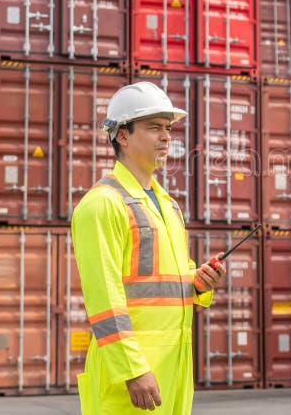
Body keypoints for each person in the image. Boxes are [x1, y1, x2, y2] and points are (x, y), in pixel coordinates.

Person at [72, 81, 226, 414]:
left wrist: (198, 282)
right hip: (133, 377)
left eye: (168, 128)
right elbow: (104, 298)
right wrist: (132, 369)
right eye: (154, 127)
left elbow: (167, 279)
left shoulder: (168, 206)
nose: (167, 136)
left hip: (174, 366)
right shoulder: (101, 204)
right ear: (122, 136)